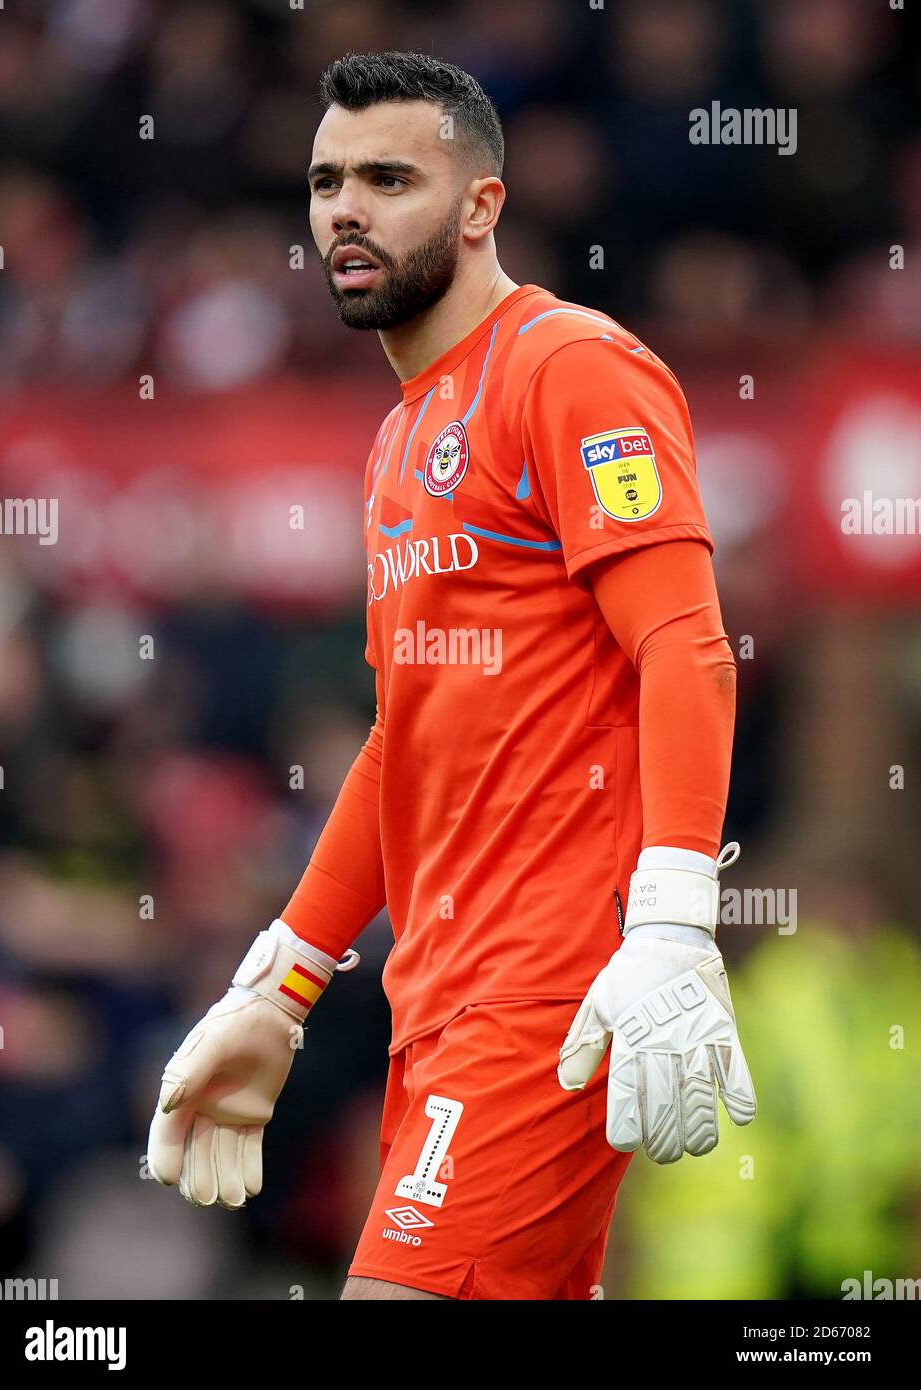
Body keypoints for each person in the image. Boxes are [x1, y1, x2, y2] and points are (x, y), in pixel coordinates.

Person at [147, 50, 756, 1302]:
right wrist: (282, 980)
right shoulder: (402, 435)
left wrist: (673, 918)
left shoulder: (570, 368)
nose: (344, 210)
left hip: (547, 990)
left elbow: (684, 645)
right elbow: (401, 737)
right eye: (325, 182)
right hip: (439, 995)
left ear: (481, 205)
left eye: (387, 177)